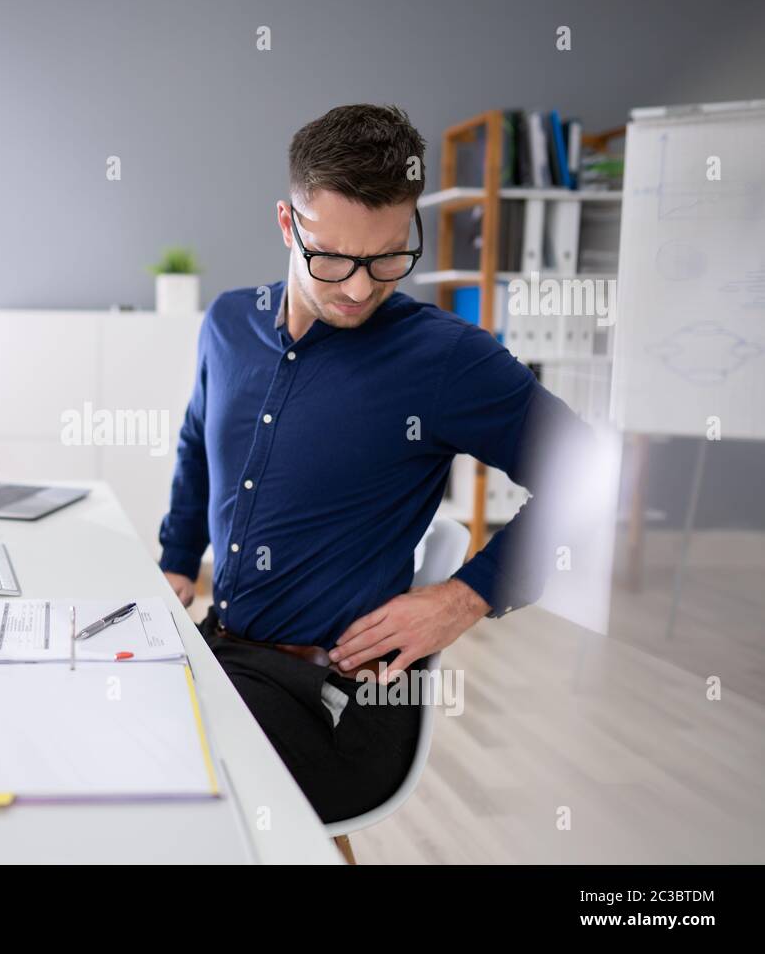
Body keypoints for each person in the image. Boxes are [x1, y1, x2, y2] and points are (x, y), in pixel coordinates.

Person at [158, 103, 594, 823]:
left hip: (336, 704)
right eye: (331, 258)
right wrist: (177, 558)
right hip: (227, 654)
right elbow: (198, 441)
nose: (360, 288)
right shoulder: (229, 324)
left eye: (390, 256)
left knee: (158, 773)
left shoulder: (443, 359)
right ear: (286, 224)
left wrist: (467, 596)